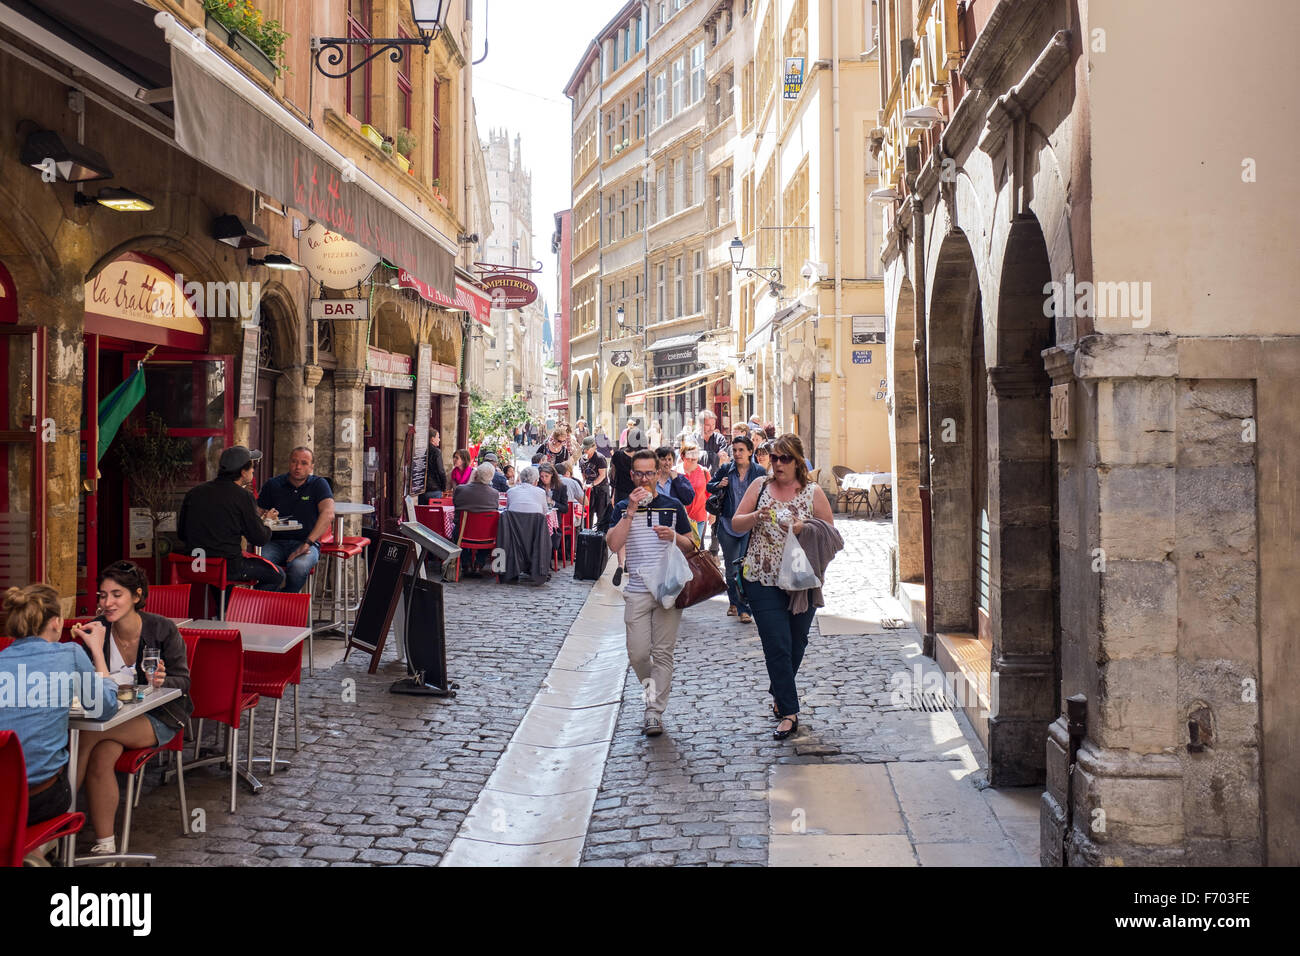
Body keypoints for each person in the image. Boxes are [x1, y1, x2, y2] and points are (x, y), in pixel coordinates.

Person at [74, 562, 194, 857]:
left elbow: (184, 681)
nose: (108, 603)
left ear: (137, 596)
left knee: (87, 735)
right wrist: (84, 647)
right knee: (101, 757)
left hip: (158, 716)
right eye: (103, 595)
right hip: (113, 717)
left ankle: (57, 814)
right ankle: (106, 845)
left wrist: (163, 680)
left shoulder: (161, 628)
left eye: (117, 595)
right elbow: (85, 683)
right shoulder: (98, 630)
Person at [732, 434, 839, 741]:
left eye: (784, 458)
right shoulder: (759, 487)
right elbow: (736, 524)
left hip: (801, 582)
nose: (777, 464)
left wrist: (802, 528)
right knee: (776, 644)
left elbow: (832, 535)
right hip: (761, 578)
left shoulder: (812, 492)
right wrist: (756, 516)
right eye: (774, 458)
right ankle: (789, 712)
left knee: (796, 642)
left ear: (797, 461)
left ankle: (780, 690)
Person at [0, 584, 118, 845]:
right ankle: (38, 850)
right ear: (56, 622)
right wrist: (98, 652)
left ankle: (29, 850)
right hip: (42, 797)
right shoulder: (70, 654)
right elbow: (105, 708)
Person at [606, 449, 696, 737]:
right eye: (639, 473)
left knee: (663, 653)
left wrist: (675, 537)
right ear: (631, 475)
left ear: (658, 473)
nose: (644, 479)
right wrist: (631, 512)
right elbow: (613, 544)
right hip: (637, 590)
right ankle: (654, 690)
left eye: (649, 473)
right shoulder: (623, 506)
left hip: (668, 588)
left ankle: (653, 711)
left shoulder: (673, 506)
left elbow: (692, 544)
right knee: (638, 654)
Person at [178, 445, 283, 590]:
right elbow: (260, 538)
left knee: (221, 571)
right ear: (243, 472)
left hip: (194, 565)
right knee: (277, 575)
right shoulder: (243, 496)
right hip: (226, 567)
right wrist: (268, 521)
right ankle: (247, 604)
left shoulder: (194, 492)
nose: (253, 470)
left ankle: (226, 605)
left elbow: (182, 534)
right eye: (252, 467)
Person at [255, 446, 334, 594]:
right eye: (294, 462)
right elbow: (256, 514)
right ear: (289, 463)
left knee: (299, 567)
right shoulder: (273, 484)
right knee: (262, 565)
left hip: (307, 542)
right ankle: (266, 601)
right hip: (274, 542)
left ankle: (286, 600)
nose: (298, 467)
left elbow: (328, 514)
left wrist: (307, 543)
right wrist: (264, 518)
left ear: (311, 467)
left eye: (304, 463)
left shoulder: (318, 484)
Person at [706, 435, 767, 624]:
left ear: (750, 452)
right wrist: (719, 484)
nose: (737, 453)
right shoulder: (726, 469)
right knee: (732, 569)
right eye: (735, 450)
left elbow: (766, 493)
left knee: (744, 568)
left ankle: (743, 609)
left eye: (741, 450)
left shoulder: (758, 471)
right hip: (727, 524)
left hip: (749, 526)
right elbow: (710, 486)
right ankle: (734, 602)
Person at [453, 464, 500, 576]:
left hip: (463, 533)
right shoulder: (494, 494)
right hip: (486, 536)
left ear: (475, 474)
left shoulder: (460, 489)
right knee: (491, 531)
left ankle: (466, 563)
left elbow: (456, 509)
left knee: (457, 531)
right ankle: (479, 563)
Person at [679, 444, 710, 542]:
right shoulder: (675, 472)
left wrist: (713, 514)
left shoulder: (704, 472)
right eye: (690, 454)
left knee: (694, 547)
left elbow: (710, 494)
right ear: (683, 456)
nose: (693, 457)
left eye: (695, 454)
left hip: (698, 518)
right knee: (680, 547)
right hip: (679, 518)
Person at [579, 436, 609, 530]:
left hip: (601, 489)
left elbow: (602, 475)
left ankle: (601, 535)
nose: (585, 451)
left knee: (601, 514)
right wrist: (584, 484)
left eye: (587, 449)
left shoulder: (600, 458)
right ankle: (587, 533)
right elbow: (584, 475)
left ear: (594, 447)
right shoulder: (582, 459)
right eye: (584, 448)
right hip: (589, 490)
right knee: (588, 513)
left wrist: (592, 484)